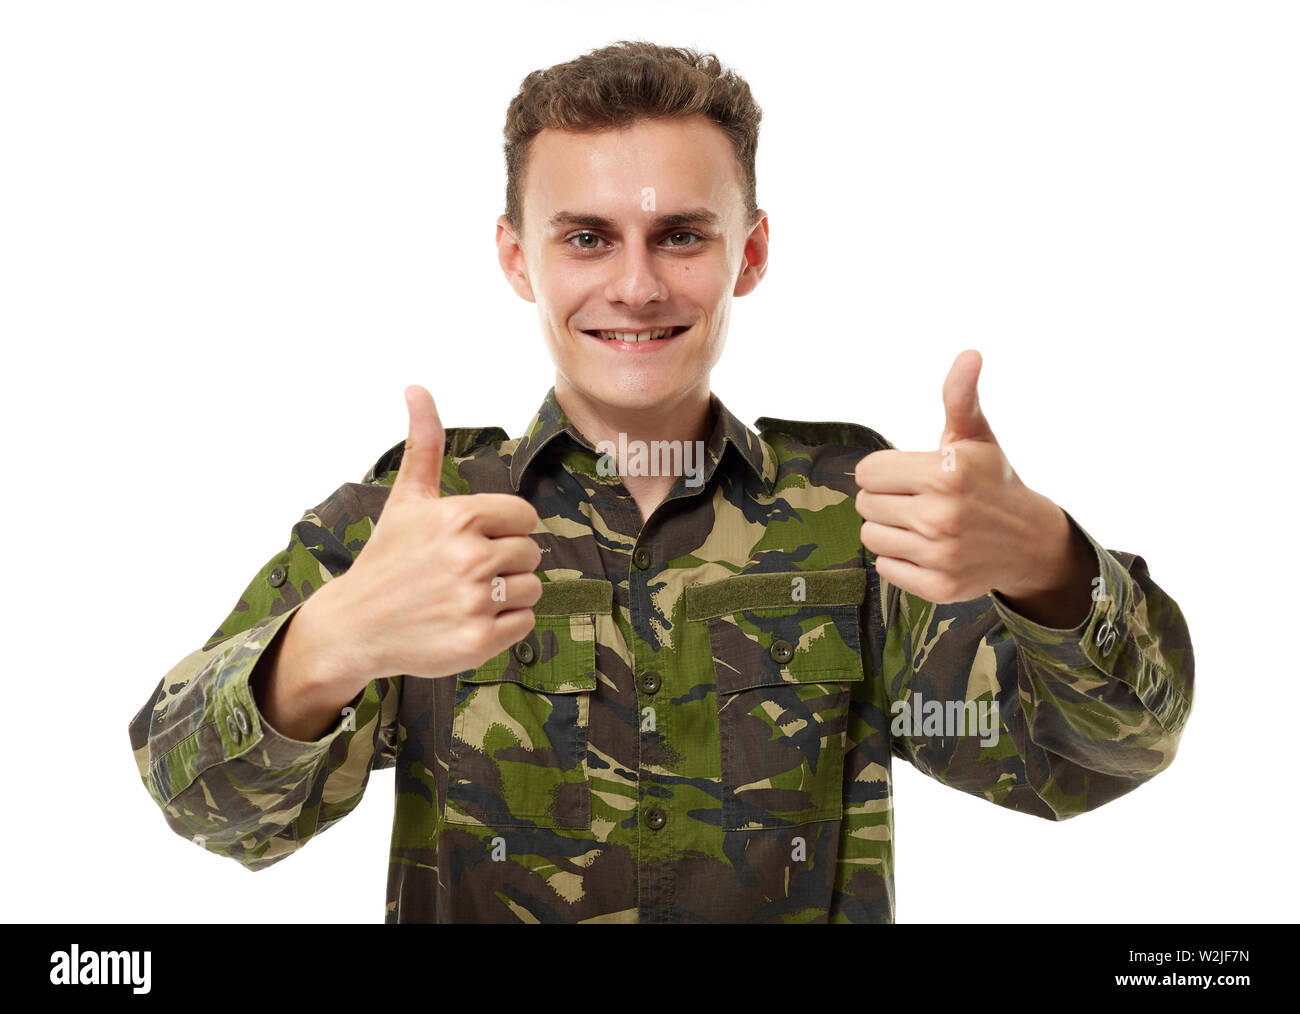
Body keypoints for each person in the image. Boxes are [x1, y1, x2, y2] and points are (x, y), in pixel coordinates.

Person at [127, 40, 1194, 923]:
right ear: (515, 259)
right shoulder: (417, 521)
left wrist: (1054, 568)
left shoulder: (856, 514)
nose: (635, 287)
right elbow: (201, 803)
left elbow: (1094, 758)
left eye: (680, 235)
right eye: (586, 237)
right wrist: (331, 644)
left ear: (750, 252)